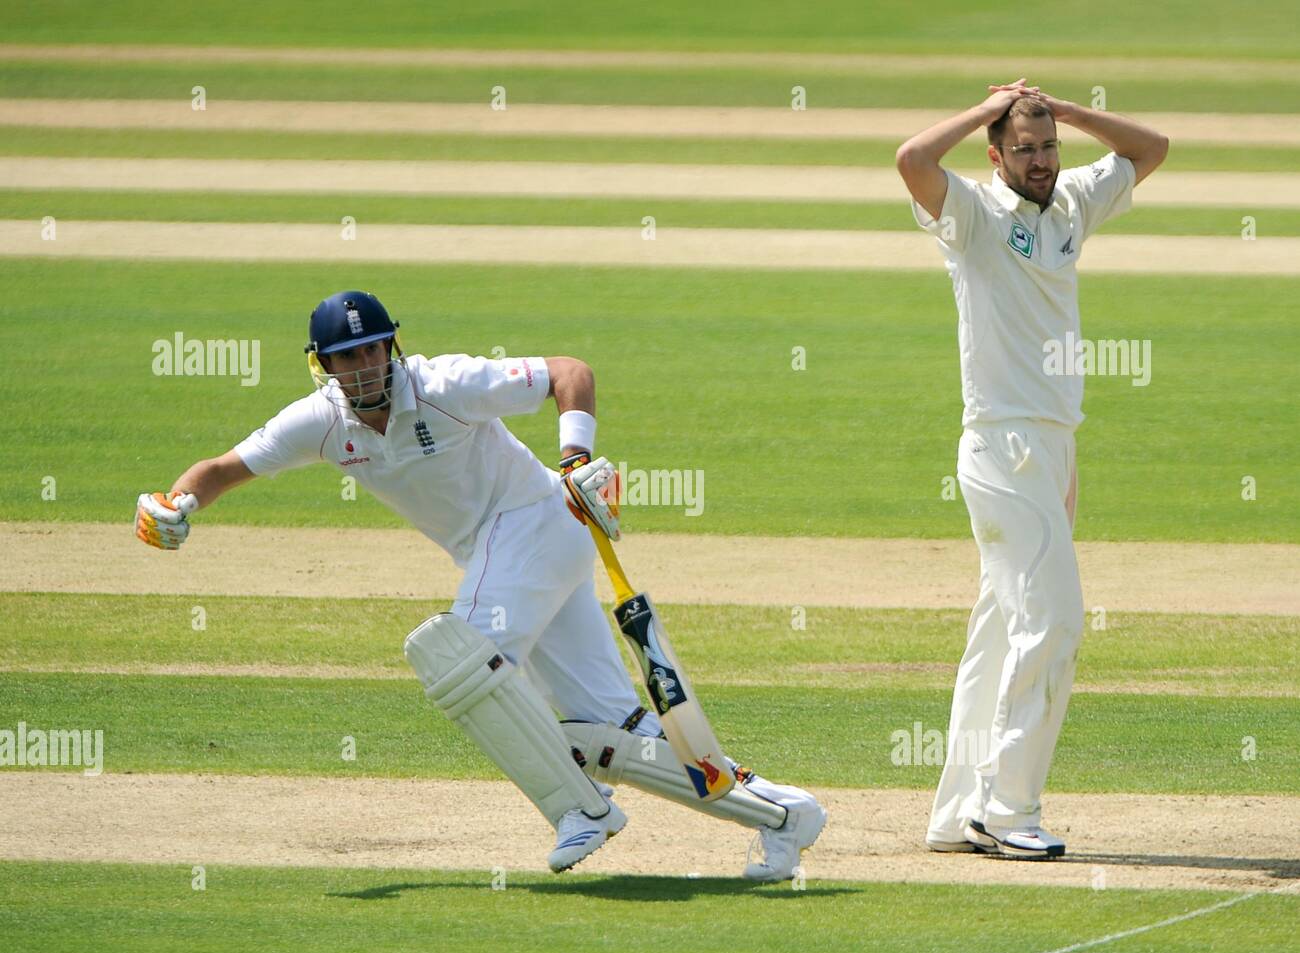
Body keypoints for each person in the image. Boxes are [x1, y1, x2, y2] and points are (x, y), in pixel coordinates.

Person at [135, 290, 827, 878]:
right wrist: (178, 505)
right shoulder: (318, 422)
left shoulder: (444, 385)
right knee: (608, 734)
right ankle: (783, 814)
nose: (366, 364)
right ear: (324, 366)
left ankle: (578, 810)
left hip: (536, 518)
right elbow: (222, 469)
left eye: (375, 349)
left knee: (457, 655)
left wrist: (576, 455)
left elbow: (569, 371)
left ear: (393, 348)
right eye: (349, 356)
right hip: (513, 553)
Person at [895, 81, 1169, 858]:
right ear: (995, 152)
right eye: (1024, 148)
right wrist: (986, 109)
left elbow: (1151, 149)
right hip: (1002, 445)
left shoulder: (1074, 201)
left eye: (1049, 147)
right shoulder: (974, 217)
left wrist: (1070, 112)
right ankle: (1008, 809)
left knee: (1000, 631)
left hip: (1054, 446)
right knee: (1051, 623)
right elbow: (912, 157)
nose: (1041, 161)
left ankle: (957, 814)